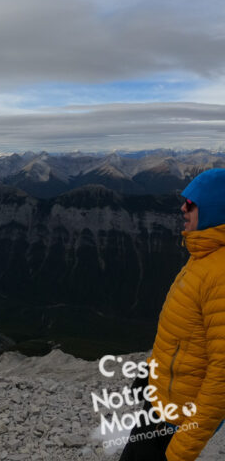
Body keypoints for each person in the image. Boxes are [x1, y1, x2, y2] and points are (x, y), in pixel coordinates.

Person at [120, 168, 225, 461]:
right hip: (164, 400)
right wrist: (152, 369)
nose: (182, 207)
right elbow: (182, 334)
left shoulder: (220, 274)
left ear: (214, 210)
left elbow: (222, 378)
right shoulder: (202, 257)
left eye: (191, 203)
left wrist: (180, 451)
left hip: (179, 418)